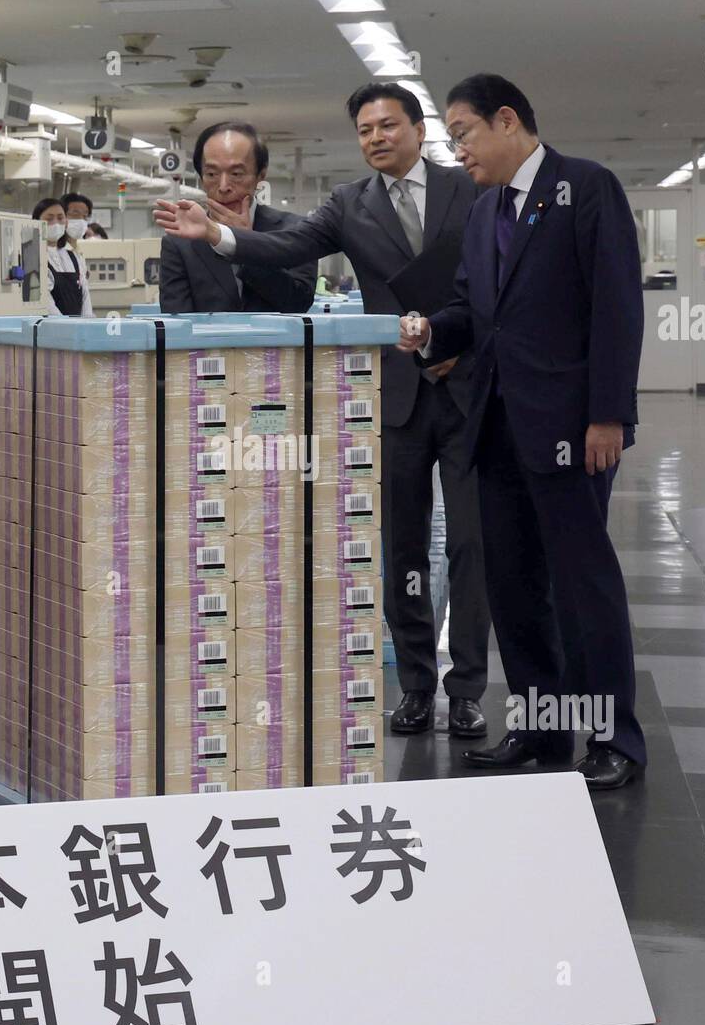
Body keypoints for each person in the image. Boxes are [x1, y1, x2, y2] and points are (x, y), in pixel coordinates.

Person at [155, 84, 491, 738]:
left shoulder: (470, 190)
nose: (375, 137)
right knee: (401, 545)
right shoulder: (348, 204)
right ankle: (416, 686)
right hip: (394, 393)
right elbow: (286, 250)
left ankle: (468, 688)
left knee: (472, 544)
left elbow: (491, 278)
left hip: (465, 386)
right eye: (364, 129)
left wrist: (462, 340)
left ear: (418, 130)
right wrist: (218, 234)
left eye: (387, 125)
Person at [399, 73, 645, 790]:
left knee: (580, 588)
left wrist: (608, 414)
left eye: (463, 134)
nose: (459, 152)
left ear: (507, 120)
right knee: (513, 589)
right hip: (496, 428)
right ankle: (542, 730)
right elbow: (472, 312)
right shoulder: (485, 212)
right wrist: (427, 331)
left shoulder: (585, 188)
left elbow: (616, 307)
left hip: (571, 428)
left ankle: (615, 740)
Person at [157, 122, 318, 312]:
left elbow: (299, 304)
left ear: (261, 174)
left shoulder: (295, 230)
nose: (223, 186)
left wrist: (246, 246)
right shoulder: (180, 243)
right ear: (201, 177)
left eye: (236, 174)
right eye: (211, 174)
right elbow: (177, 322)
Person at [32, 196, 93, 317]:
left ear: (66, 222)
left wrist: (87, 322)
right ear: (36, 222)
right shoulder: (33, 258)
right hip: (51, 325)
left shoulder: (74, 257)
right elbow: (45, 302)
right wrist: (65, 325)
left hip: (77, 325)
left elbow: (85, 297)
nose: (56, 223)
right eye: (49, 219)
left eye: (60, 218)